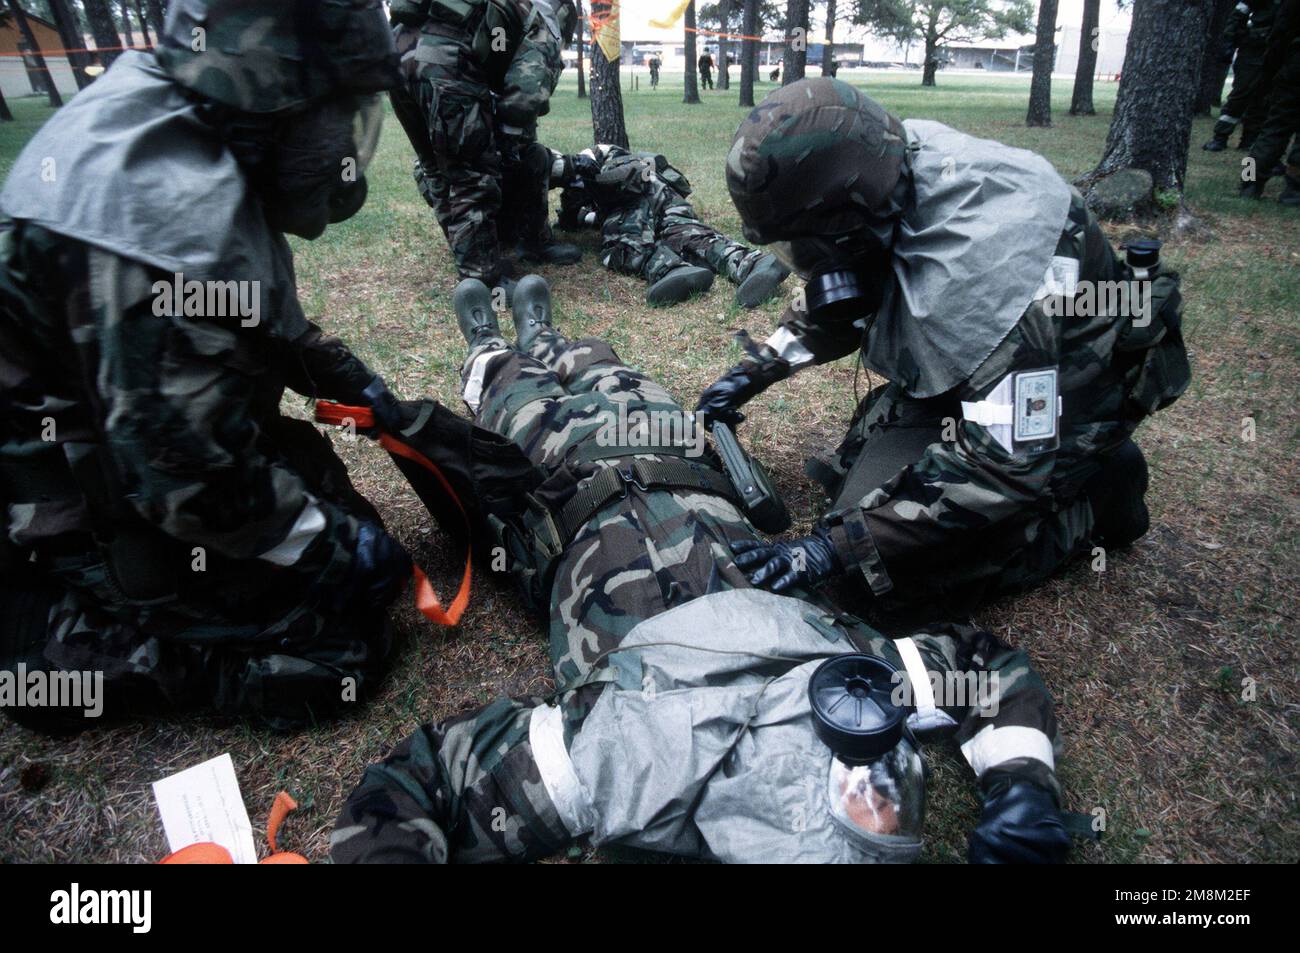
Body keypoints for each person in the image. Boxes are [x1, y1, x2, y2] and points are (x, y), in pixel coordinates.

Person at [330, 276, 1071, 864]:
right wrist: (1023, 787)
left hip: (554, 485)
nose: (883, 781)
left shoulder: (614, 762)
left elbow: (412, 782)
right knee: (603, 366)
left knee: (512, 390)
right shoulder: (853, 687)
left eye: (863, 801)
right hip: (674, 449)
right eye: (887, 795)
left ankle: (489, 344)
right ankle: (545, 331)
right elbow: (983, 664)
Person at [0, 0, 413, 732]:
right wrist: (337, 553)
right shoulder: (162, 222)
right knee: (338, 648)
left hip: (108, 429)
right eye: (340, 116)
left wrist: (354, 384)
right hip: (67, 498)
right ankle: (72, 647)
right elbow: (190, 485)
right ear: (278, 103)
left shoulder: (181, 117)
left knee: (322, 500)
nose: (350, 148)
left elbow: (244, 316)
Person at [696, 79, 1191, 611]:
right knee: (864, 499)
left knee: (882, 582)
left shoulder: (985, 273)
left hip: (1061, 396)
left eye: (805, 248)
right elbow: (846, 289)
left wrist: (829, 550)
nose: (805, 265)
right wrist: (756, 370)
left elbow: (1004, 467)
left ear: (852, 224)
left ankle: (1097, 499)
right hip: (995, 365)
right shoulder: (887, 168)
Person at [387, 0, 580, 295]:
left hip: (398, 62)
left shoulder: (509, 8)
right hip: (446, 64)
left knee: (434, 167)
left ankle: (464, 249)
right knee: (473, 174)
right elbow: (526, 94)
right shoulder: (545, 23)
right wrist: (502, 145)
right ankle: (482, 276)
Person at [548, 144, 790, 306]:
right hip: (666, 194)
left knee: (622, 247)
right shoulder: (616, 157)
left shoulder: (589, 160)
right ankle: (752, 263)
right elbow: (577, 217)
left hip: (635, 197)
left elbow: (580, 210)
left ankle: (671, 270)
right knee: (689, 235)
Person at [1240, 0, 1300, 204]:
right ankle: (1294, 190)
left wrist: (1271, 71)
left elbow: (1280, 32)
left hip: (1293, 65)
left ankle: (1248, 182)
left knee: (1272, 129)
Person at [1204, 0, 1282, 152]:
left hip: (1276, 53)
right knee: (1241, 94)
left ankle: (1249, 140)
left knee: (1263, 99)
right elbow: (1238, 15)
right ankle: (1220, 137)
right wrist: (1228, 43)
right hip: (1253, 51)